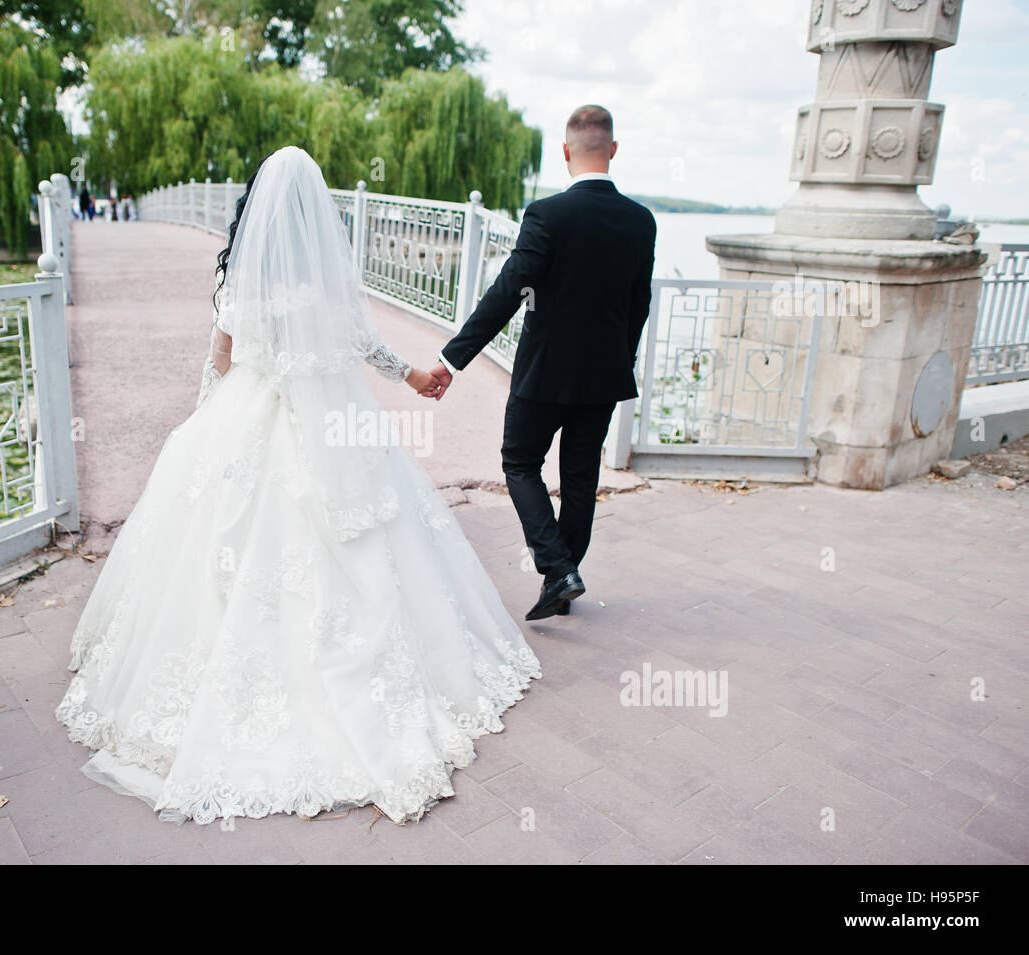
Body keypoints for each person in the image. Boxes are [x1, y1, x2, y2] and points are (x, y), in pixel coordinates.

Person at [55, 146, 540, 826]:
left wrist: (208, 429)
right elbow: (365, 345)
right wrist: (416, 376)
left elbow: (221, 362)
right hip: (333, 430)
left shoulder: (240, 281)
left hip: (247, 418)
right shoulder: (326, 283)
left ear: (255, 211)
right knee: (366, 546)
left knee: (218, 550)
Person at [418, 104, 657, 622]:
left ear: (565, 151)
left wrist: (452, 360)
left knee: (520, 462)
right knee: (579, 478)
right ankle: (561, 576)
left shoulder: (548, 215)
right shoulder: (642, 222)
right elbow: (639, 306)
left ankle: (558, 571)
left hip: (544, 373)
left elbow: (508, 292)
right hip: (603, 377)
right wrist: (622, 361)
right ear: (613, 150)